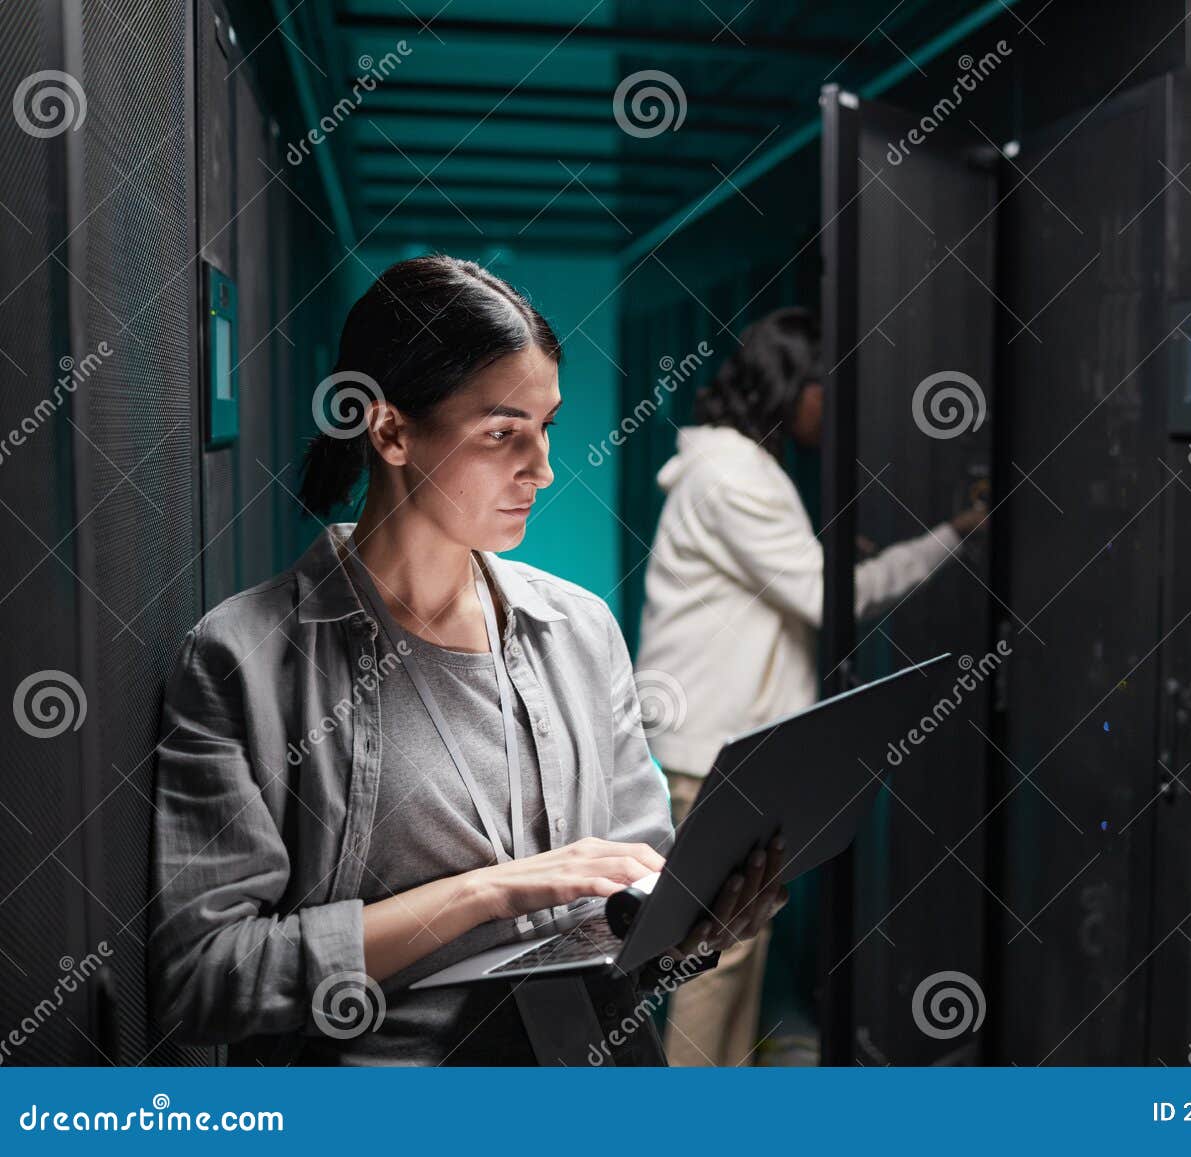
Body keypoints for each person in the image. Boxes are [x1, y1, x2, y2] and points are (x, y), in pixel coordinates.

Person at [147, 255, 785, 1065]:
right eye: (501, 433)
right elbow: (204, 976)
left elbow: (632, 912)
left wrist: (696, 926)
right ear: (390, 430)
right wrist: (490, 891)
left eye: (545, 427)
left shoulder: (581, 630)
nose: (543, 468)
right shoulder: (243, 659)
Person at [634, 306, 986, 1066]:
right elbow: (831, 599)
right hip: (717, 746)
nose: (832, 403)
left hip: (720, 739)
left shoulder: (733, 465)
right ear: (789, 384)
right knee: (714, 955)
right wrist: (954, 535)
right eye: (825, 385)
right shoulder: (735, 475)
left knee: (731, 947)